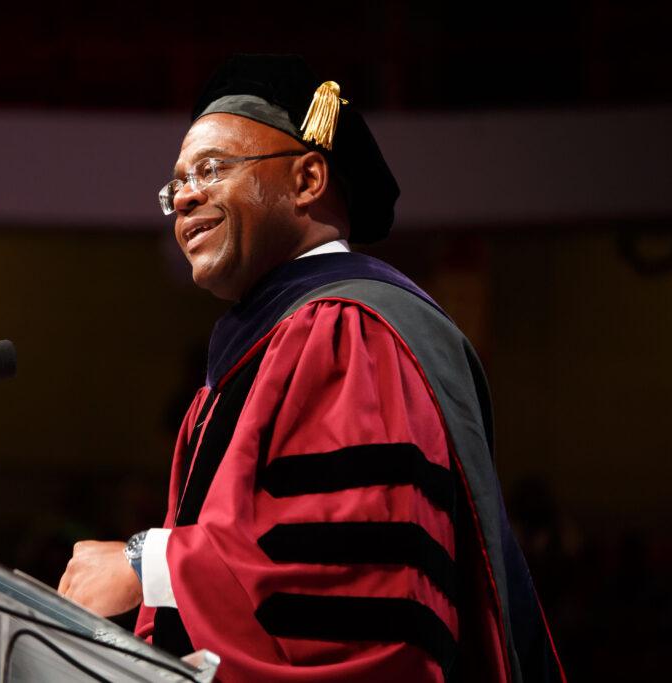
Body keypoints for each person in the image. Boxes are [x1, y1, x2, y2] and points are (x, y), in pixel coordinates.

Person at [58, 55, 565, 682]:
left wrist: (147, 564)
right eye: (177, 185)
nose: (184, 196)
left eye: (211, 169)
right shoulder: (262, 347)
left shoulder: (355, 334)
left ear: (306, 179)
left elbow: (356, 580)